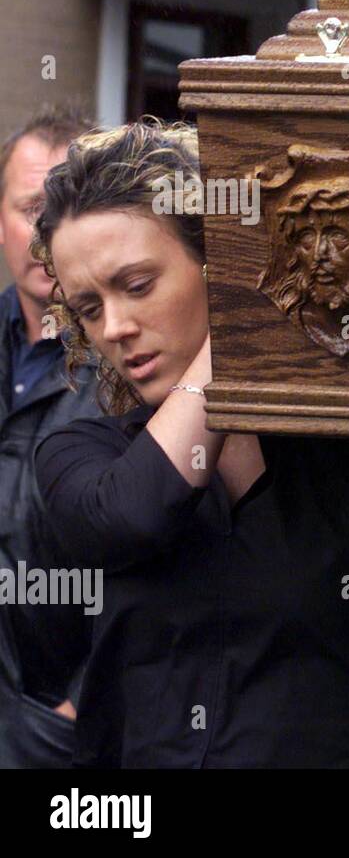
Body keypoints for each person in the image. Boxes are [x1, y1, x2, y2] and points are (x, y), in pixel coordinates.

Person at [31, 120, 349, 767]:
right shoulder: (79, 456)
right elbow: (136, 514)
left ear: (218, 261)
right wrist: (242, 328)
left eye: (138, 285)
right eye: (89, 307)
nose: (116, 328)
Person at [0, 105, 99, 768]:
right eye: (30, 205)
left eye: (63, 204)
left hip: (53, 737)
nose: (44, 229)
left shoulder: (134, 372)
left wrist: (76, 708)